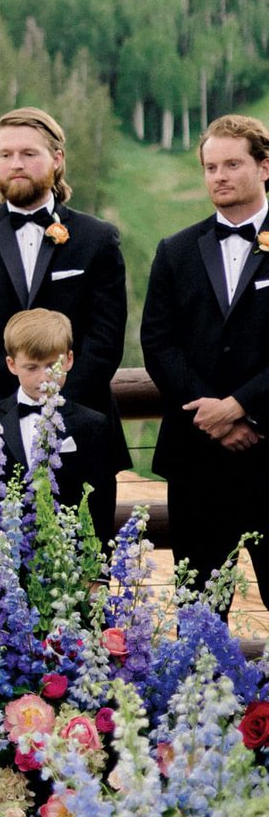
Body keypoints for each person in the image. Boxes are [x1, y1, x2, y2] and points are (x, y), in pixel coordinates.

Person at [0, 106, 129, 479]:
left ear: (57, 159)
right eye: (6, 154)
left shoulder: (97, 239)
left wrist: (59, 409)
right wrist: (7, 415)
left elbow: (105, 339)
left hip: (82, 429)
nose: (16, 163)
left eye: (29, 154)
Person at [141, 114, 269, 608]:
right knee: (198, 610)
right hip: (198, 457)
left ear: (264, 167)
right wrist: (211, 416)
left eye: (232, 164)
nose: (219, 175)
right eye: (211, 166)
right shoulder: (175, 251)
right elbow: (157, 342)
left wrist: (240, 407)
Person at [0, 309, 118, 542]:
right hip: (5, 562)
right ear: (12, 365)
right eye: (31, 367)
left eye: (52, 365)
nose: (43, 377)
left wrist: (98, 574)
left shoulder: (93, 425)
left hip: (69, 556)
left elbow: (101, 505)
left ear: (69, 360)